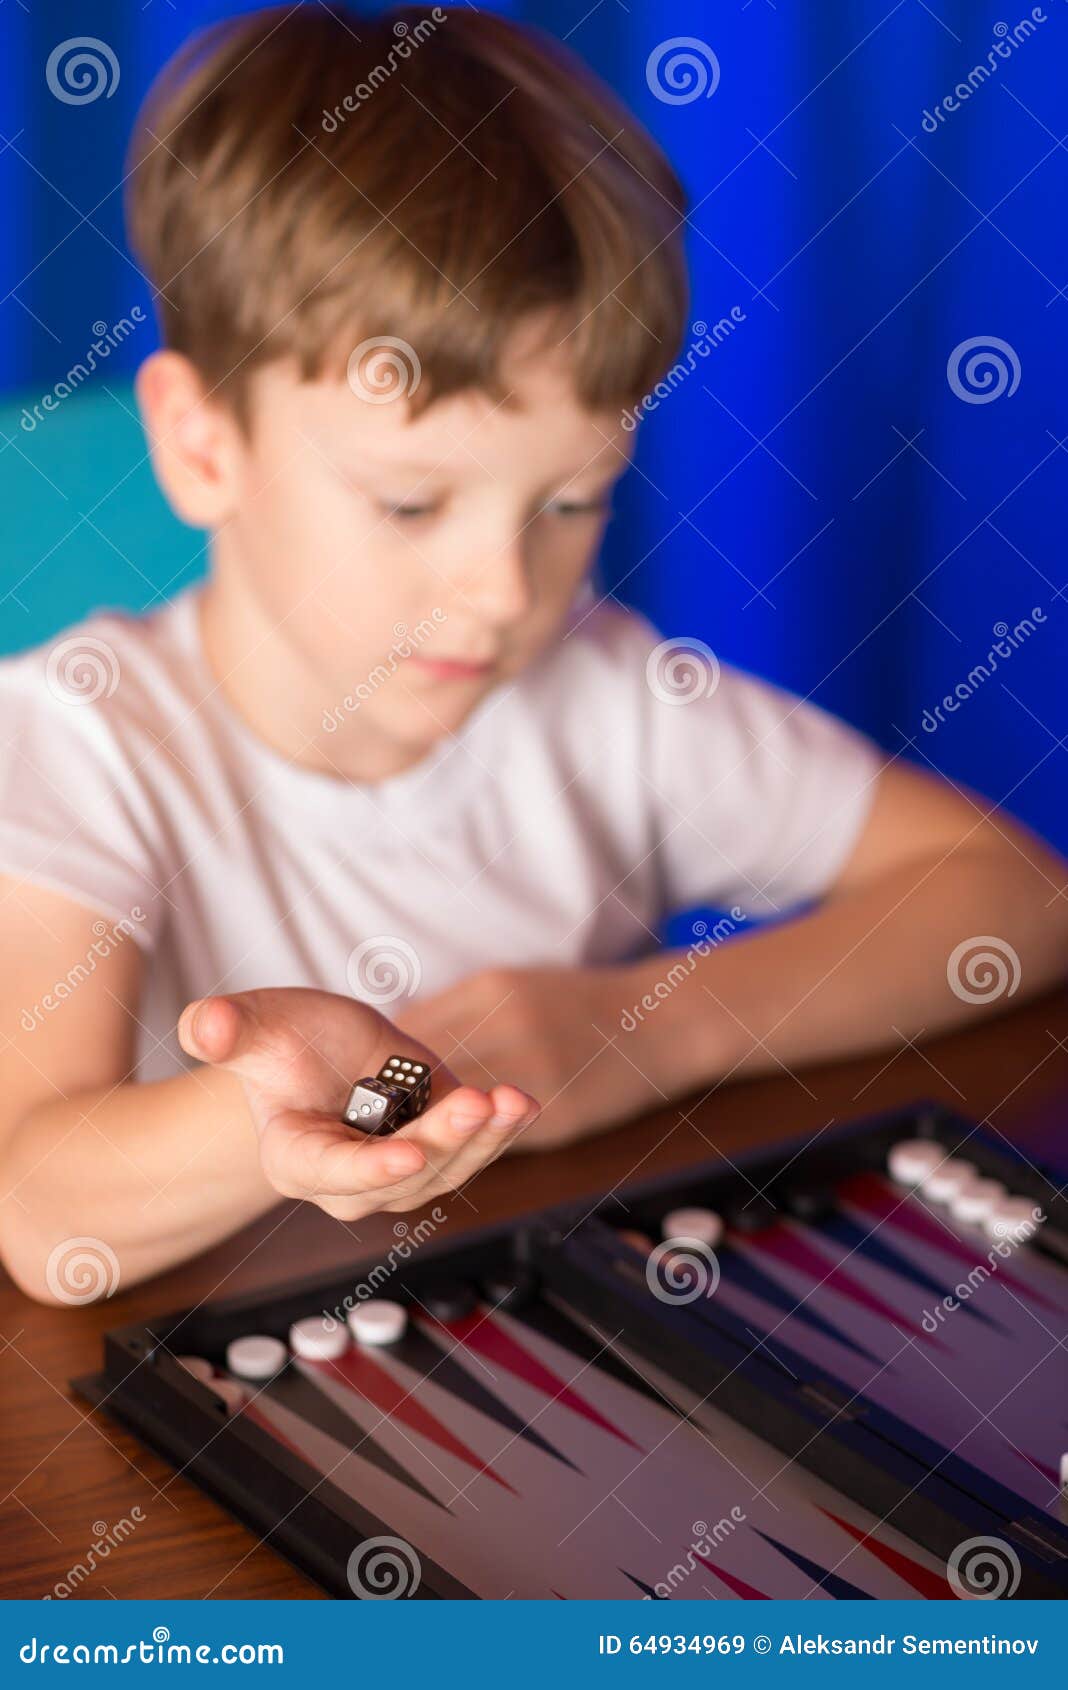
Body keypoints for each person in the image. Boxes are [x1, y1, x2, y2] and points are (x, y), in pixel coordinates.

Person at [1, 7, 1064, 1303]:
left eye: (570, 502)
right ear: (202, 443)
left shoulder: (609, 693)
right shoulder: (79, 740)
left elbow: (1015, 901)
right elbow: (42, 1209)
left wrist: (640, 1027)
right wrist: (284, 1113)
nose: (506, 592)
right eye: (411, 504)